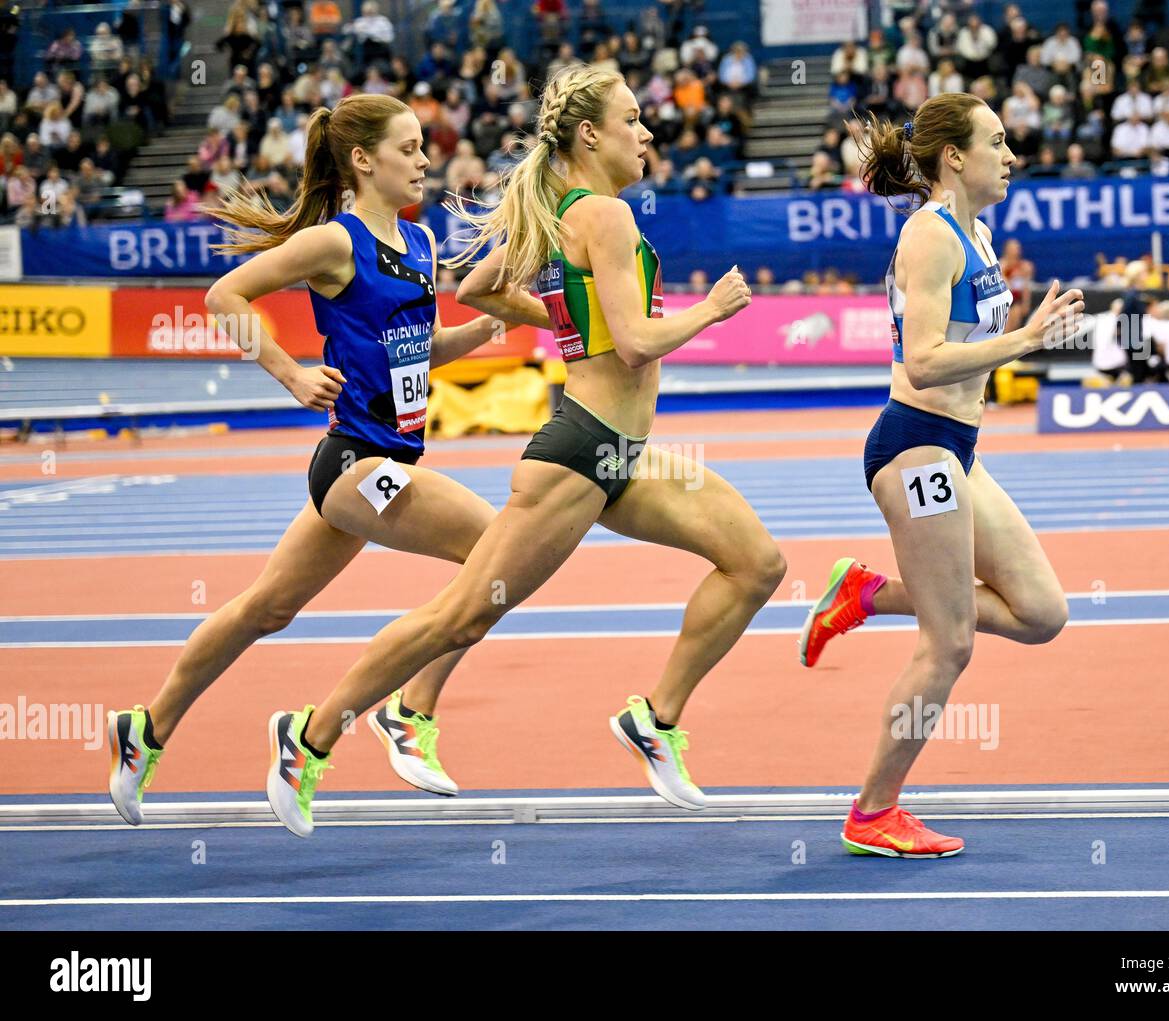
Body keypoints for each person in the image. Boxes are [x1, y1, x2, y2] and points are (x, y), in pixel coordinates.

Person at [263, 64, 784, 837]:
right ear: (589, 134)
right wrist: (711, 310)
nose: (646, 134)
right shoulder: (601, 214)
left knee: (758, 563)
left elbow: (477, 287)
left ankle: (656, 718)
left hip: (626, 454)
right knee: (465, 614)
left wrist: (567, 318)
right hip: (580, 451)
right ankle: (311, 736)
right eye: (633, 120)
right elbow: (637, 345)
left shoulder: (560, 211)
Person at [106, 94, 535, 825]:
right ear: (364, 160)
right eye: (408, 148)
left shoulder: (423, 244)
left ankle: (143, 729)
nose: (425, 159)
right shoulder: (335, 243)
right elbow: (224, 294)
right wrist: (290, 372)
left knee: (264, 608)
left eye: (424, 146)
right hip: (351, 466)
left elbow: (417, 349)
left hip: (379, 465)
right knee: (498, 552)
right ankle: (406, 712)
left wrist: (485, 328)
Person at [797, 95, 1084, 858]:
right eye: (997, 141)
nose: (1011, 155)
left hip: (958, 443)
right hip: (915, 443)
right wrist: (1024, 340)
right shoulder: (929, 236)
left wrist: (1021, 336)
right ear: (953, 156)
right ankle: (874, 810)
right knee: (949, 640)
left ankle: (867, 592)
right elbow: (921, 360)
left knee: (1042, 611)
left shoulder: (979, 234)